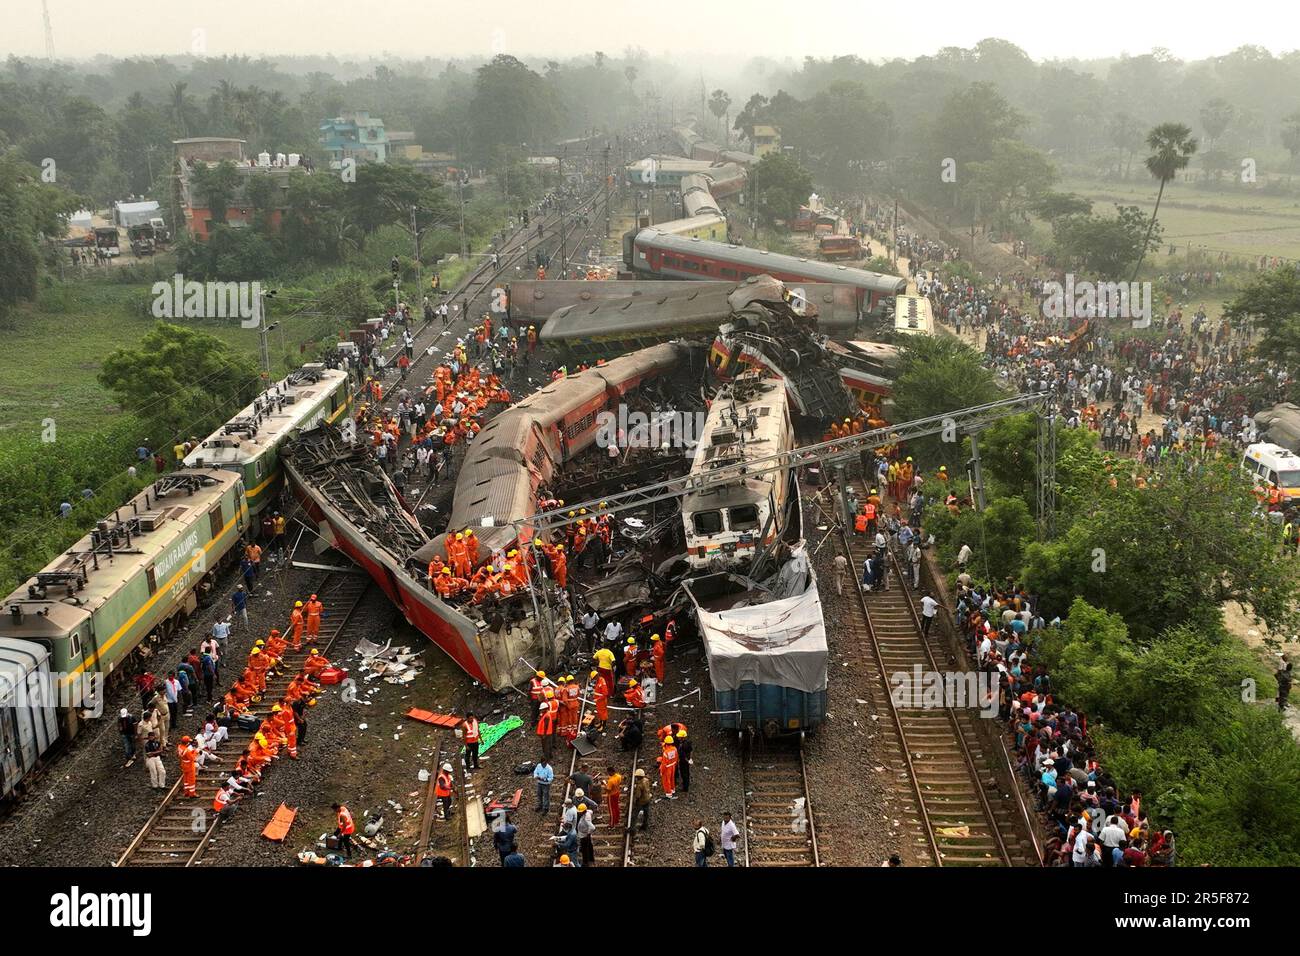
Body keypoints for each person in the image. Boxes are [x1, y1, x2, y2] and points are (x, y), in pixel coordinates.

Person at [604, 765, 624, 829]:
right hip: (617, 793)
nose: (608, 774)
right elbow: (620, 782)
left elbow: (608, 789)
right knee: (616, 807)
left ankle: (612, 825)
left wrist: (604, 784)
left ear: (611, 772)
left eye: (608, 772)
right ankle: (617, 821)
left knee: (611, 810)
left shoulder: (610, 781)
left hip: (611, 795)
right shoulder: (618, 776)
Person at [675, 728, 693, 792]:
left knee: (684, 774)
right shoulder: (688, 743)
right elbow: (691, 751)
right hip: (686, 760)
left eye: (679, 737)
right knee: (687, 773)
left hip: (683, 761)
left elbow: (683, 754)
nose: (678, 737)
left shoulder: (683, 745)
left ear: (682, 737)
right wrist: (690, 758)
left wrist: (686, 760)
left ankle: (685, 788)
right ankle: (686, 784)